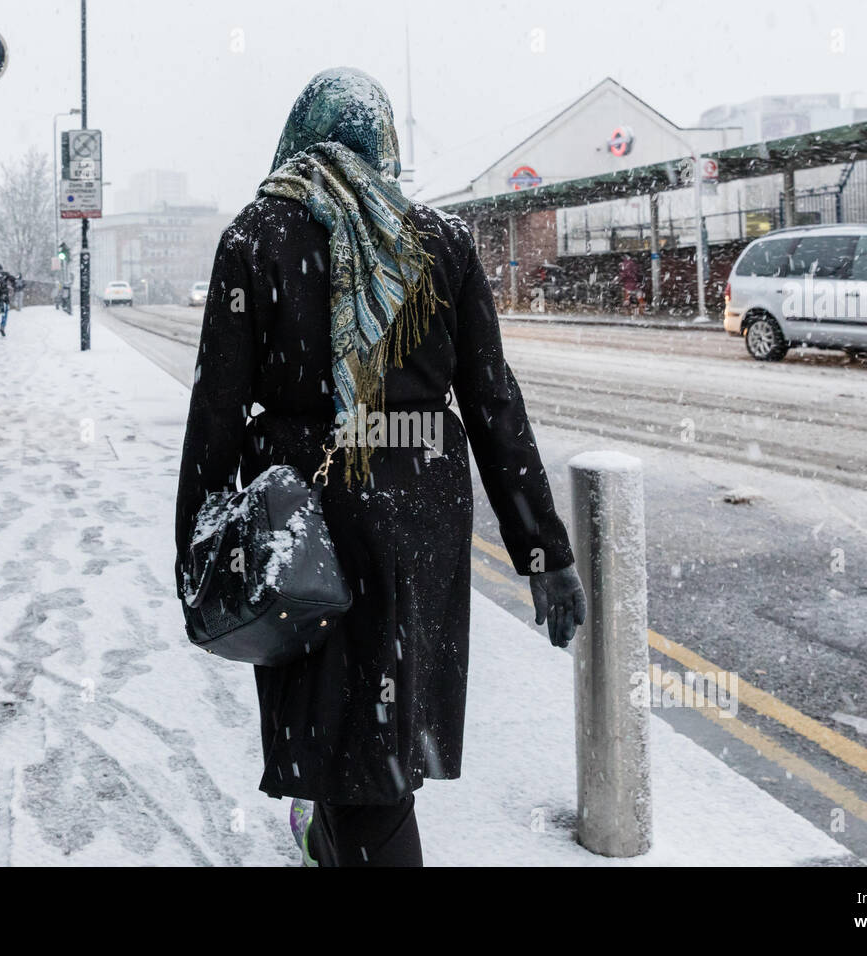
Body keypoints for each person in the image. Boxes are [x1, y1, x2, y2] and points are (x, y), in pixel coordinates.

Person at [174, 68, 585, 867]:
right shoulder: (440, 238)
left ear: (299, 134)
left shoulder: (257, 235)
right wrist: (544, 552)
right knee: (380, 733)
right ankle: (334, 840)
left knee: (351, 742)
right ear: (385, 144)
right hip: (421, 512)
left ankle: (347, 844)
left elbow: (215, 413)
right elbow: (494, 402)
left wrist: (195, 546)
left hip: (305, 515)